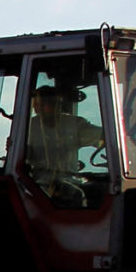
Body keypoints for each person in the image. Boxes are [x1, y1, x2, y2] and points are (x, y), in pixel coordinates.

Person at [22, 78, 105, 208]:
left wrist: (116, 141)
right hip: (38, 185)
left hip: (69, 180)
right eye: (38, 104)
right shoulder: (27, 128)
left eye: (54, 103)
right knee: (77, 196)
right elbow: (21, 159)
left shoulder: (73, 125)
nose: (41, 108)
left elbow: (102, 136)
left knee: (99, 189)